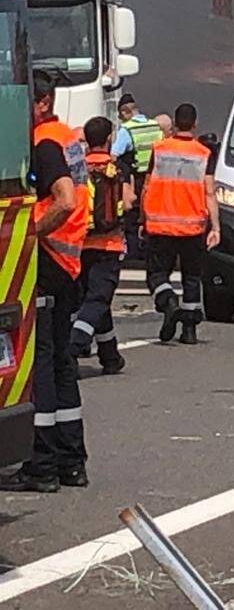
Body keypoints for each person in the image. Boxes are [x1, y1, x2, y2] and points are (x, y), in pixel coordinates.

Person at [0, 72, 90, 492]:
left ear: (40, 103)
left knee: (40, 364)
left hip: (48, 260)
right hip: (69, 262)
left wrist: (28, 233)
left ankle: (43, 464)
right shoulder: (67, 136)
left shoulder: (44, 141)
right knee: (60, 364)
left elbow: (65, 198)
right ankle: (71, 460)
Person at [141, 103, 220, 345]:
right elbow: (209, 192)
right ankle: (189, 331)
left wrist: (143, 219)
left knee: (156, 274)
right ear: (195, 124)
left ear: (175, 123)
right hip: (193, 227)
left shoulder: (159, 149)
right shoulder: (204, 154)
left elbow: (146, 186)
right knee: (192, 277)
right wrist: (215, 227)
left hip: (160, 224)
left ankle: (168, 303)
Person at [69, 117, 131, 376]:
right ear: (108, 139)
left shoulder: (77, 167)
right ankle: (72, 348)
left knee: (92, 300)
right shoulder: (116, 168)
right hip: (109, 245)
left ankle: (110, 356)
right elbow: (127, 203)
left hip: (80, 244)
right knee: (97, 300)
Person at [112, 94, 162, 259]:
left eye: (121, 115)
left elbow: (114, 155)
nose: (121, 119)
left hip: (137, 180)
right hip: (156, 179)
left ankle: (134, 253)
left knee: (133, 218)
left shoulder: (127, 129)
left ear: (126, 112)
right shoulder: (155, 126)